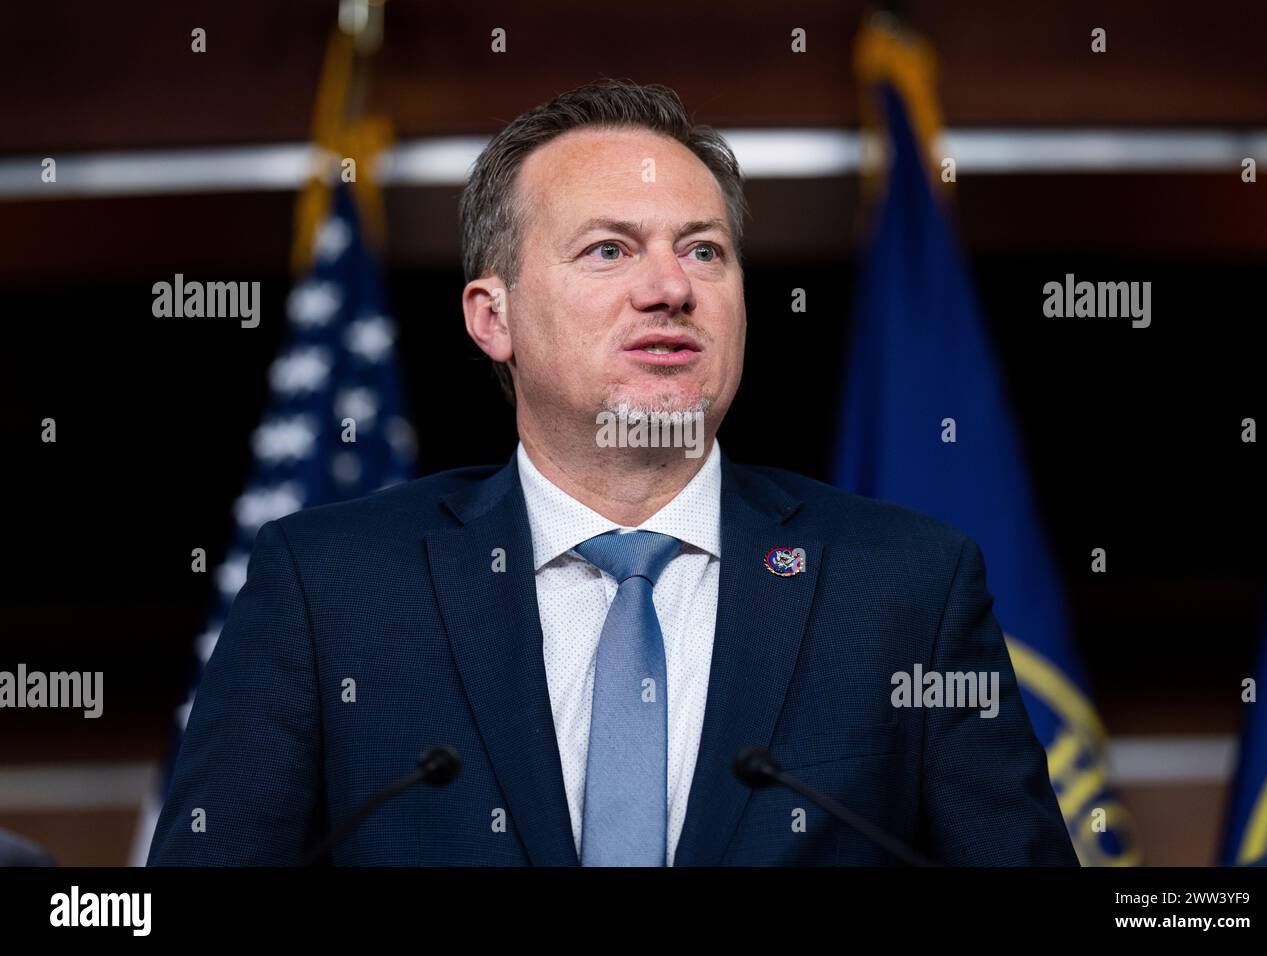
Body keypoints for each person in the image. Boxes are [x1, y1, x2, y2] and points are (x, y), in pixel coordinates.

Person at [149, 79, 1077, 866]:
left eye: (704, 250)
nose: (670, 287)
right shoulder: (330, 592)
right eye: (610, 249)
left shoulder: (906, 588)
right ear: (492, 316)